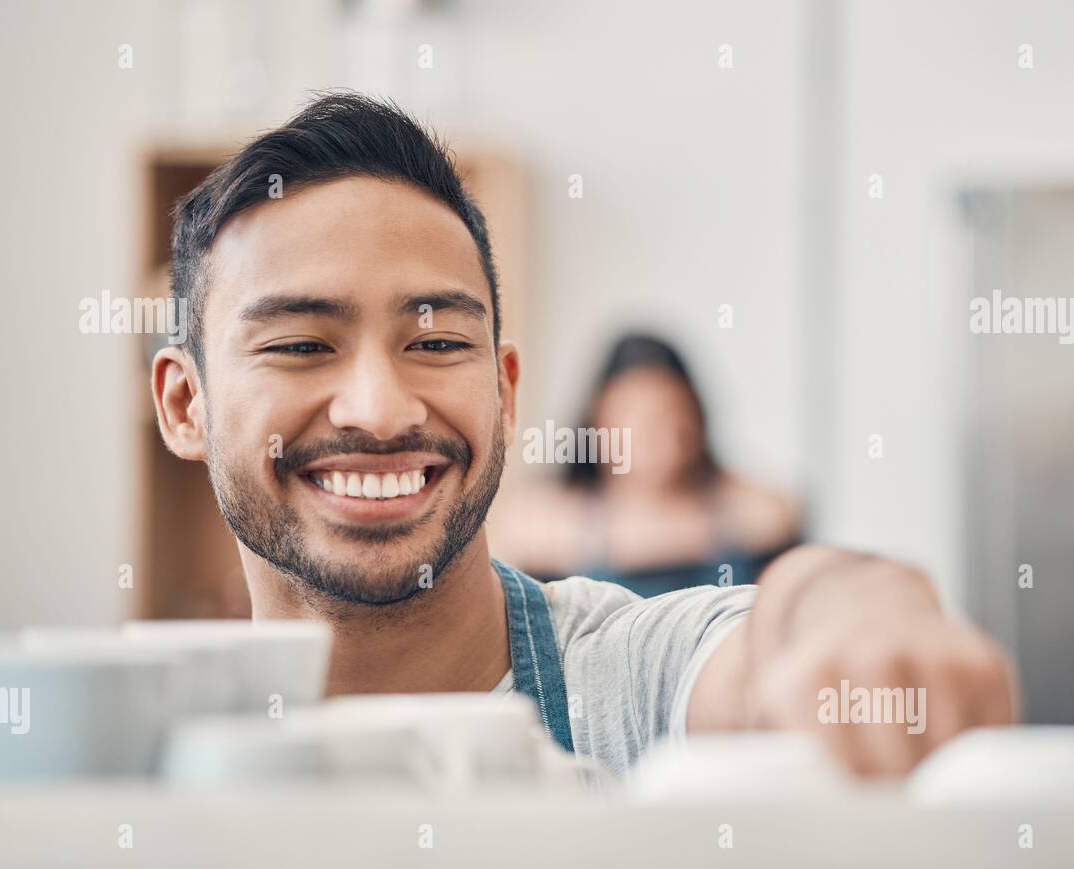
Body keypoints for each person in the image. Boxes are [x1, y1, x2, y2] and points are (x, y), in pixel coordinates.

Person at [151, 92, 1016, 777]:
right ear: (186, 405)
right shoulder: (132, 738)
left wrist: (863, 608)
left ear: (504, 388)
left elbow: (764, 636)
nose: (380, 411)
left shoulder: (630, 681)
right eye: (302, 345)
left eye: (438, 343)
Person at [490, 332, 802, 596]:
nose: (655, 438)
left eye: (670, 417)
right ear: (596, 425)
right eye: (634, 420)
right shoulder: (539, 520)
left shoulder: (758, 511)